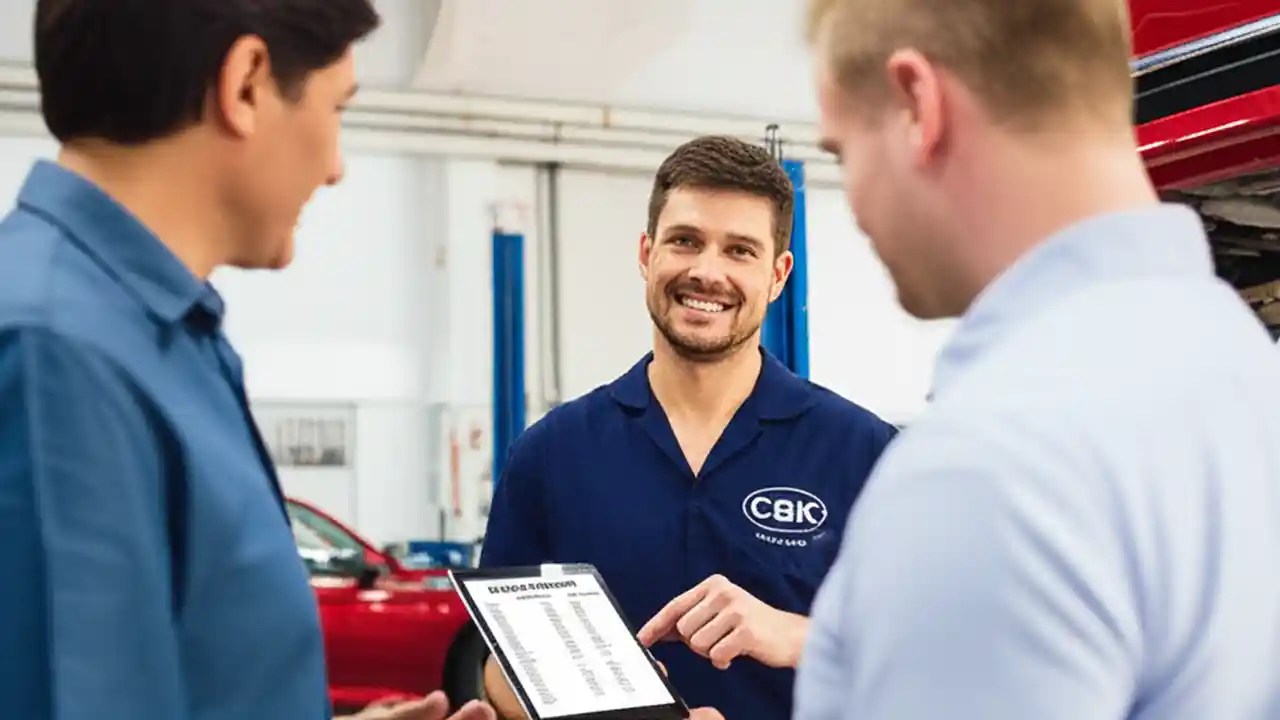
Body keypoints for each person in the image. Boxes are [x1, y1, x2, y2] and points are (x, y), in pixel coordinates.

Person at [0, 2, 491, 719]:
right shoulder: (54, 354)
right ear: (246, 84)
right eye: (336, 108)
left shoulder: (162, 334)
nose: (335, 168)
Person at [790, 1, 1280, 719]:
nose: (855, 203)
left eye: (842, 153)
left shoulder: (989, 470)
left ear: (918, 105)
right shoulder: (1243, 370)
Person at [479, 135, 897, 720]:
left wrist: (798, 636)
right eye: (685, 241)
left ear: (778, 276)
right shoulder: (550, 454)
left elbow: (928, 655)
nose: (706, 271)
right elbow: (493, 662)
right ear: (646, 253)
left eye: (740, 251)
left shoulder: (865, 454)